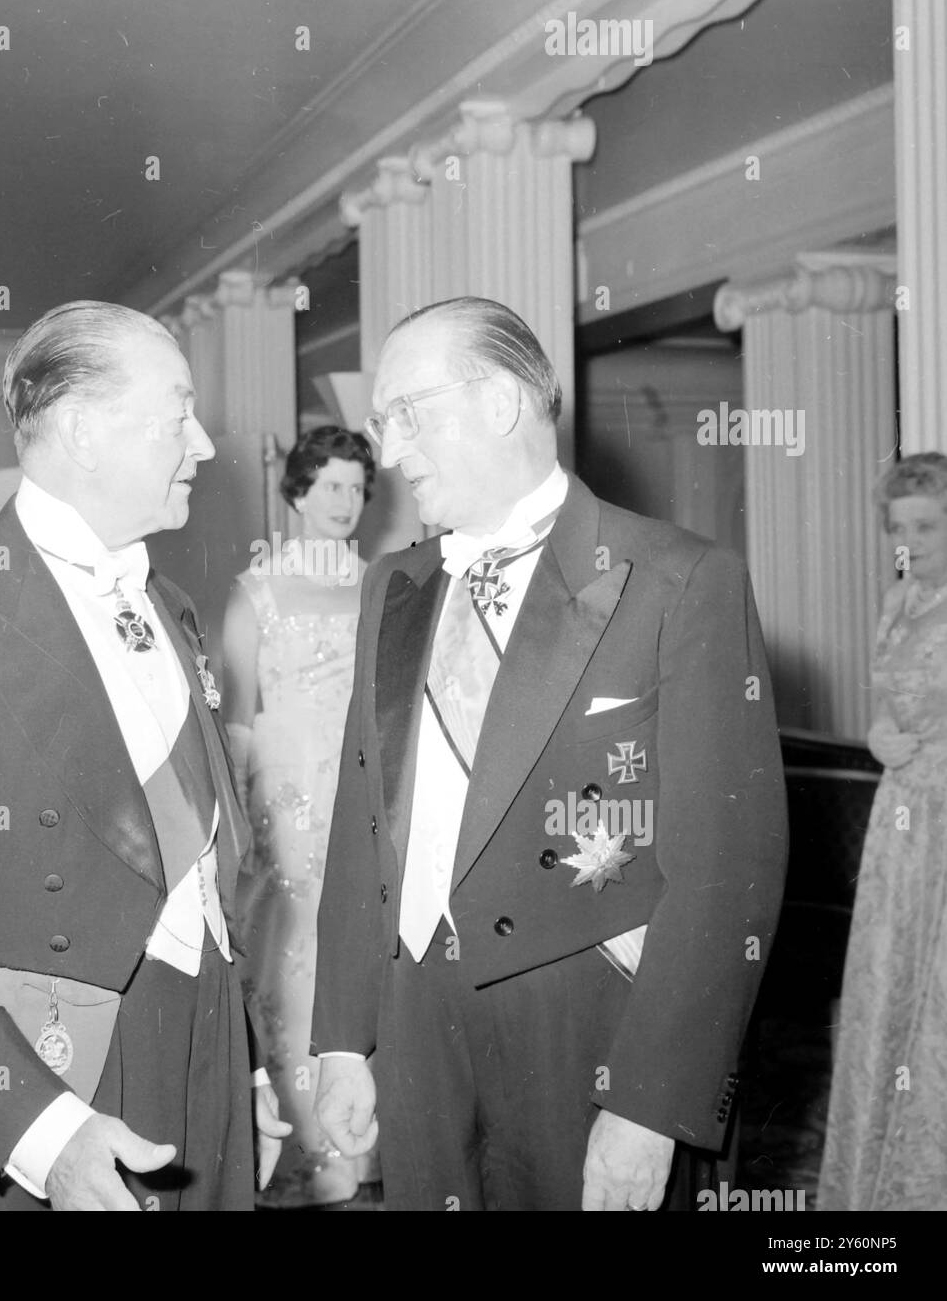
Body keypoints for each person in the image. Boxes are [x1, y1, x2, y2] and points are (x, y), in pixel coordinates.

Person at [312, 296, 789, 1211]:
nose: (387, 447)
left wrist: (652, 1102)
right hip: (415, 1023)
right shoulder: (395, 584)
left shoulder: (680, 579)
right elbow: (359, 818)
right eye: (381, 422)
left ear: (499, 403)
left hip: (590, 1029)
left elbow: (727, 871)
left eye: (407, 413)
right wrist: (343, 1038)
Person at [0, 301, 287, 1212]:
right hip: (48, 1064)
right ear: (80, 428)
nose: (201, 444)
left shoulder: (174, 605)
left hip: (204, 1043)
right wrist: (43, 1133)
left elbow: (205, 872)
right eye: (176, 414)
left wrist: (251, 1064)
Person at [222, 425, 375, 1206]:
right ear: (297, 493)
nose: (345, 502)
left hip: (361, 782)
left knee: (359, 944)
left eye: (356, 488)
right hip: (285, 792)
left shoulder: (382, 584)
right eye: (330, 487)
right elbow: (239, 717)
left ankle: (360, 1134)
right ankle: (308, 1148)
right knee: (291, 956)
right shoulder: (259, 588)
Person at [818, 452, 947, 1211]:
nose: (911, 542)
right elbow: (886, 710)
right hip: (900, 822)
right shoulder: (896, 603)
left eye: (927, 526)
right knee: (888, 994)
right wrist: (875, 737)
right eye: (898, 528)